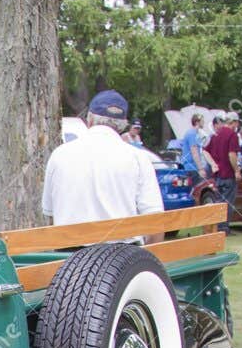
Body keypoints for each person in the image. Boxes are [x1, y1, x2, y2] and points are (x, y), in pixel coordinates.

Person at [41, 89, 164, 239]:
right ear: (123, 125)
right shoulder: (138, 157)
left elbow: (50, 213)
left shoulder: (59, 154)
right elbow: (155, 222)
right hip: (123, 251)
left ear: (89, 119)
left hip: (68, 251)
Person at [207, 112, 241, 232]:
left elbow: (205, 151)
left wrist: (213, 164)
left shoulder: (216, 134)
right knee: (227, 202)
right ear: (234, 122)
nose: (237, 125)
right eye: (237, 123)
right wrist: (236, 170)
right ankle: (223, 228)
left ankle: (216, 226)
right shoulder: (232, 135)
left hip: (218, 175)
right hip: (228, 174)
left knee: (219, 201)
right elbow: (232, 154)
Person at [178, 112, 212, 177]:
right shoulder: (192, 134)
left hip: (193, 167)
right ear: (197, 122)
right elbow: (194, 152)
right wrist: (200, 169)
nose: (204, 122)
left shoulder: (196, 134)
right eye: (202, 121)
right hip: (191, 168)